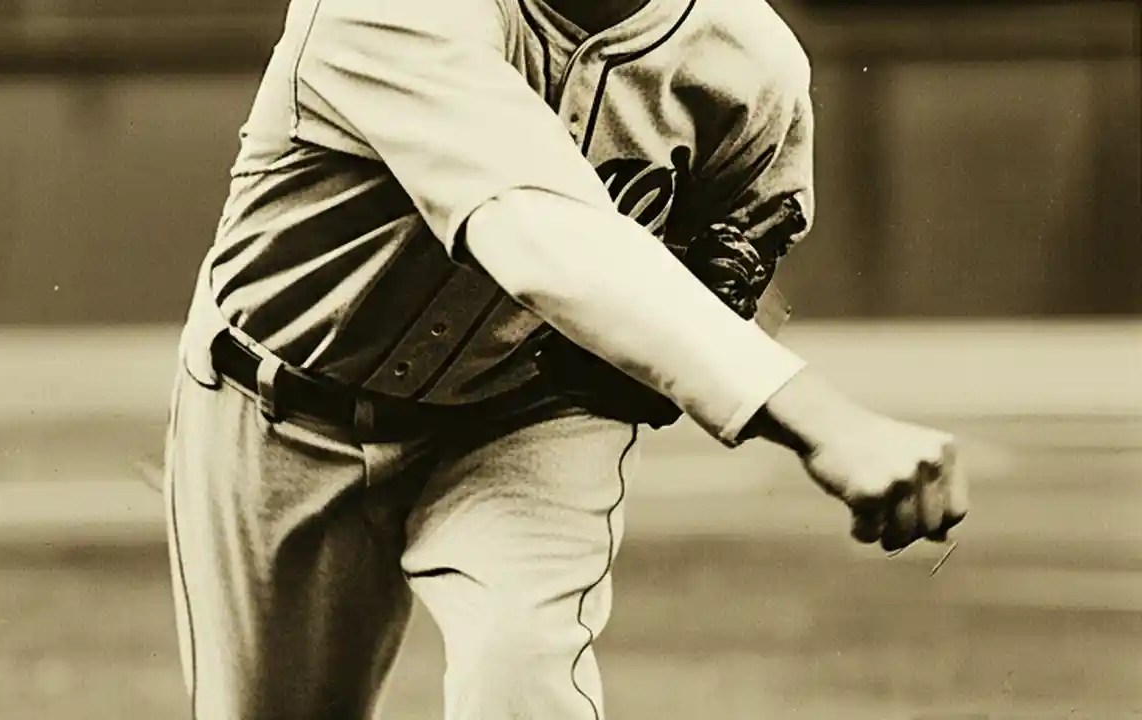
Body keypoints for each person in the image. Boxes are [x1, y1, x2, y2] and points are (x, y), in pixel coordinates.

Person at [162, 0, 970, 717]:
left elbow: (745, 275)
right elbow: (535, 228)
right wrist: (823, 420)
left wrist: (723, 309)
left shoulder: (750, 64)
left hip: (525, 417)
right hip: (278, 409)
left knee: (523, 674)